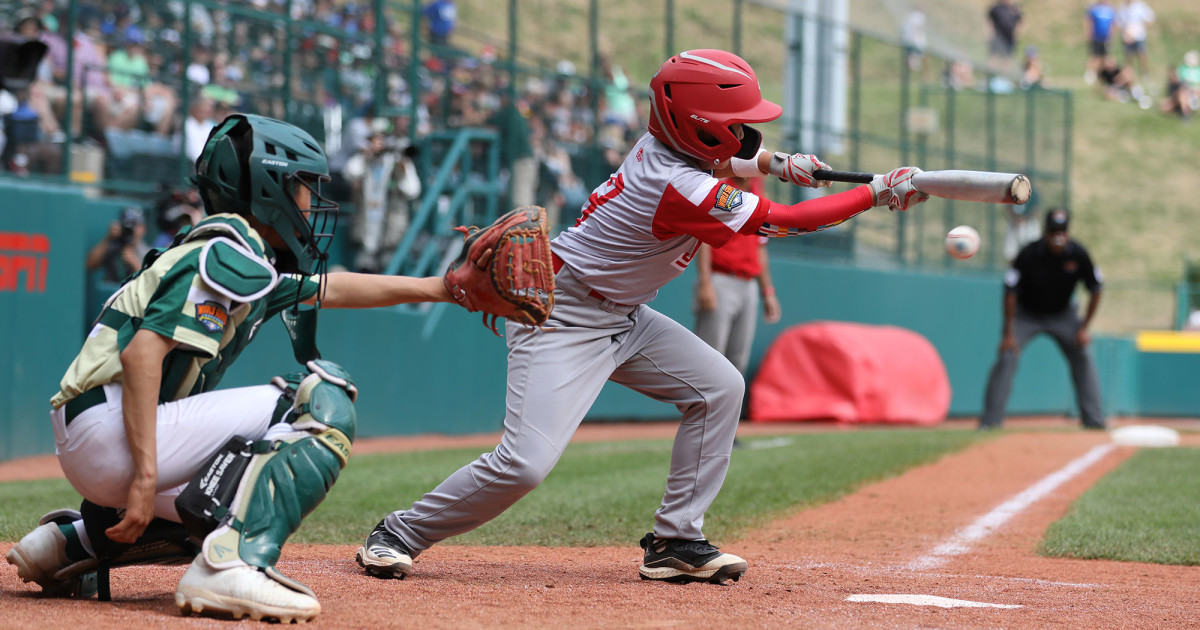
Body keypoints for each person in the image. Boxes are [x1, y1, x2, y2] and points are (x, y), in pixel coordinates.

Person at [354, 49, 929, 586]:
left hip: (624, 316)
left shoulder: (671, 147)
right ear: (696, 124)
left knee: (720, 388)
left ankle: (676, 540)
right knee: (524, 463)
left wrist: (778, 163)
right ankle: (400, 532)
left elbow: (727, 156)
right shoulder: (677, 183)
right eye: (735, 120)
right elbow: (786, 223)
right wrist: (875, 194)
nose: (746, 128)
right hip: (563, 315)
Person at [5, 114, 464, 623]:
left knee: (228, 496)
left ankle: (70, 545)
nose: (312, 201)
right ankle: (230, 566)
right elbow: (141, 356)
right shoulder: (230, 253)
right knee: (318, 395)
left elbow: (334, 288)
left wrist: (442, 288)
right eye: (305, 186)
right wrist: (143, 479)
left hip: (93, 433)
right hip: (111, 433)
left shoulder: (221, 248)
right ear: (270, 187)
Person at [979, 208, 1106, 431]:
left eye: (1063, 231)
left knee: (1083, 354)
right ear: (1045, 232)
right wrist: (1009, 334)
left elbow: (1096, 288)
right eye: (1054, 231)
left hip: (1063, 315)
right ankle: (990, 422)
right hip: (1026, 315)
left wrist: (1084, 328)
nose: (1059, 236)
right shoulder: (1029, 253)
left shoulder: (1078, 254)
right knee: (1008, 355)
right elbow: (1010, 291)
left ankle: (1094, 420)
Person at [693, 175, 781, 408]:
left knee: (737, 362)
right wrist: (705, 282)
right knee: (710, 359)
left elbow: (761, 247)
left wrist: (768, 292)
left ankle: (726, 429)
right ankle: (700, 425)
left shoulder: (757, 190)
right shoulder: (721, 186)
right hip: (720, 278)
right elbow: (704, 239)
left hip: (748, 284)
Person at [345, 129, 422, 273]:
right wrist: (367, 154)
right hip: (367, 225)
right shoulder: (366, 159)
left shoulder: (397, 162)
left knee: (388, 270)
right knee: (364, 271)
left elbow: (413, 190)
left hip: (389, 231)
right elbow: (350, 172)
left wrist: (403, 169)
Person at [85, 206, 151, 284]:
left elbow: (149, 282)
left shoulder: (148, 253)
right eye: (127, 224)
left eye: (135, 225)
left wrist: (133, 261)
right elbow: (90, 265)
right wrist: (108, 239)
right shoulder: (113, 247)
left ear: (143, 228)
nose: (132, 229)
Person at [1115, 0, 1155, 80]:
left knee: (1142, 55)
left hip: (1139, 36)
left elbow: (1150, 18)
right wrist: (1125, 33)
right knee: (1128, 57)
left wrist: (1139, 30)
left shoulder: (1140, 6)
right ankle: (1129, 75)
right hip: (1127, 37)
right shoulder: (1122, 7)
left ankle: (1144, 73)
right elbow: (1118, 22)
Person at [1084, 0, 1117, 86]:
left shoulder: (1110, 9)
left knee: (1105, 57)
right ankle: (1090, 74)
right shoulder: (1094, 8)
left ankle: (1101, 75)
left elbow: (1112, 24)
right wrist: (1088, 33)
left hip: (1106, 38)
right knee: (1094, 56)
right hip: (1096, 37)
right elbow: (1089, 21)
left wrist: (1111, 36)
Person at [986, 0, 1023, 75]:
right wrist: (989, 31)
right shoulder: (996, 8)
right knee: (993, 56)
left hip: (1009, 38)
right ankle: (990, 76)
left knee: (1007, 58)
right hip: (997, 36)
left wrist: (1018, 32)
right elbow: (989, 19)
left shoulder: (1015, 9)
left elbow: (1020, 21)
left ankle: (1004, 77)